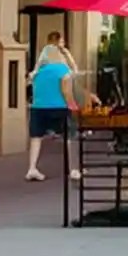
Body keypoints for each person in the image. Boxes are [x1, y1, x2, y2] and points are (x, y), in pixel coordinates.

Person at [26, 48, 79, 182]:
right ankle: (72, 169)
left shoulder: (38, 73)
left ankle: (32, 168)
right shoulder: (63, 70)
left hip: (38, 107)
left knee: (36, 137)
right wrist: (72, 105)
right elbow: (65, 90)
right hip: (59, 107)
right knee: (70, 137)